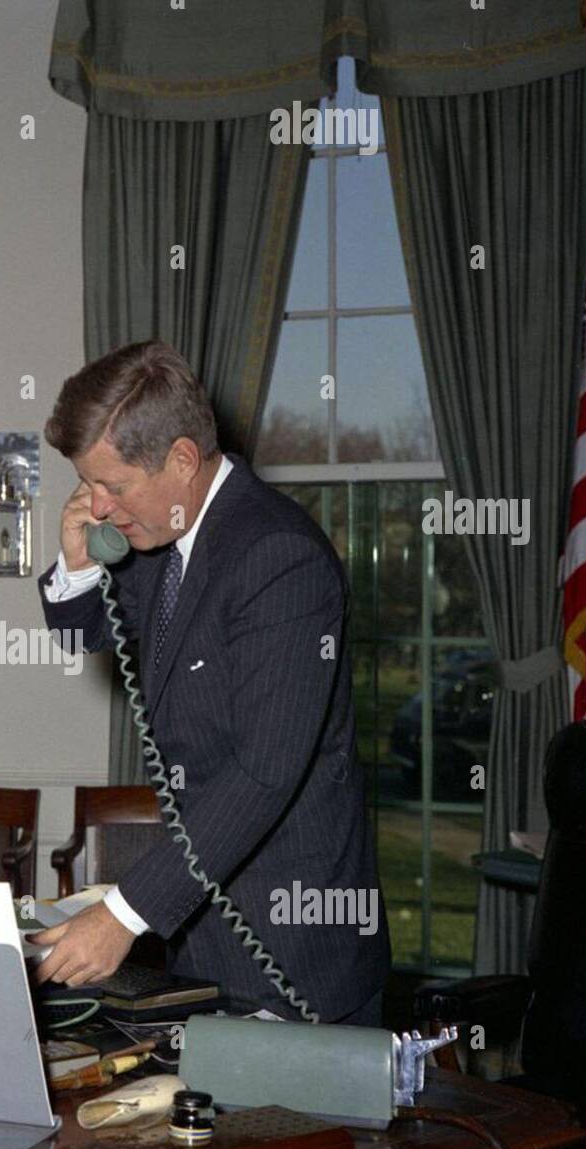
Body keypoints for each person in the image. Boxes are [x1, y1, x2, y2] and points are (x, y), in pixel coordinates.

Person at [32, 340, 389, 1026]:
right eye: (88, 486)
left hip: (293, 956)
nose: (97, 507)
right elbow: (85, 636)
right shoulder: (164, 537)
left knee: (301, 1138)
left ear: (183, 460)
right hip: (204, 941)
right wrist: (78, 564)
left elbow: (263, 773)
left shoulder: (278, 557)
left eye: (113, 486)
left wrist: (125, 914)